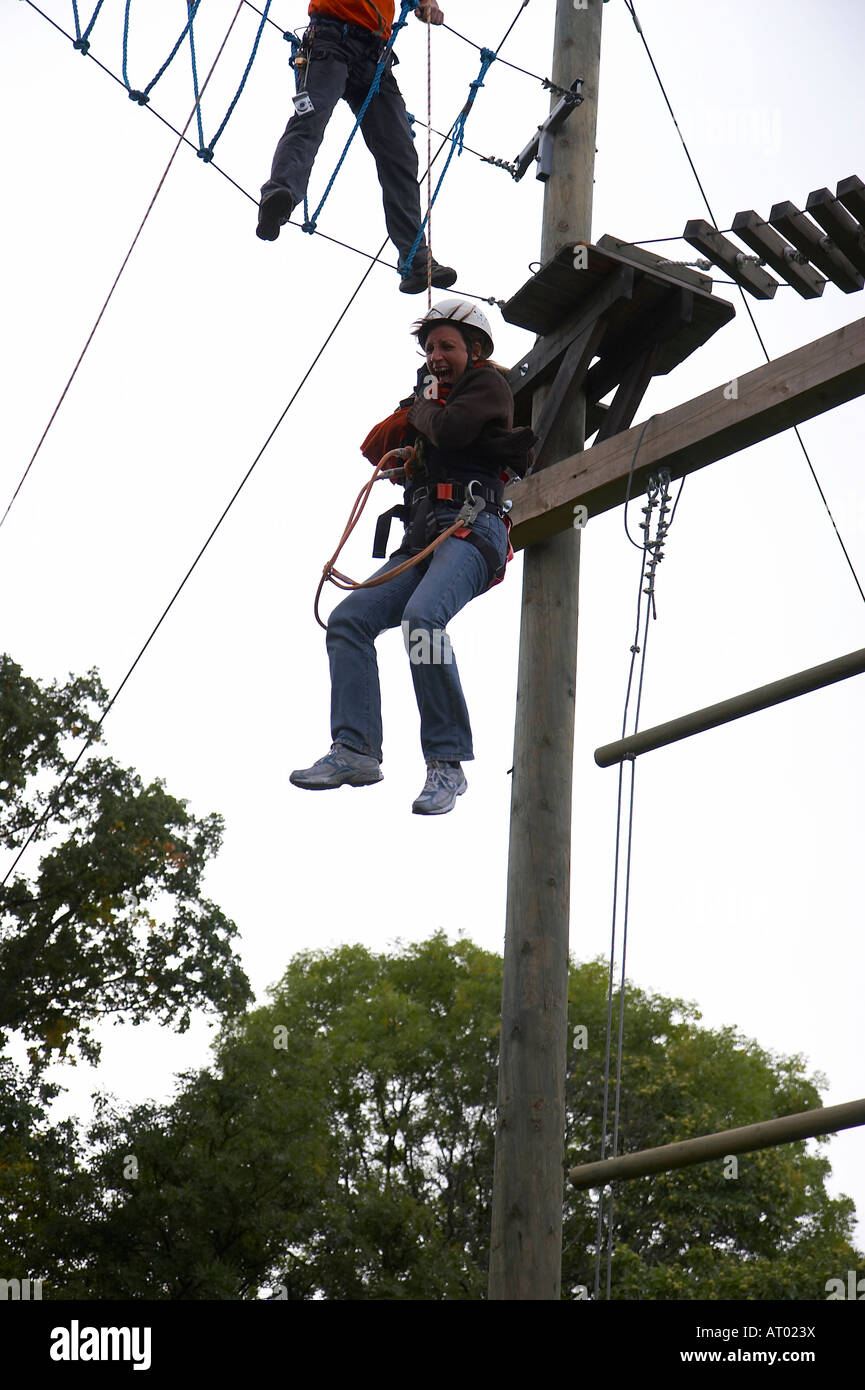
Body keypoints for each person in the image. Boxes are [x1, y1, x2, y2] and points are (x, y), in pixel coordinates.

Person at [291, 299, 535, 814]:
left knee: (423, 620)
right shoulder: (433, 399)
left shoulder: (486, 385)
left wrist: (419, 412)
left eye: (446, 346)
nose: (435, 355)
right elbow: (377, 443)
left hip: (472, 530)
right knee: (349, 620)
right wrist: (413, 427)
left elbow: (449, 430)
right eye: (429, 348)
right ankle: (355, 748)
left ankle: (446, 762)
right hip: (422, 538)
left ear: (475, 349)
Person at [257, 0, 457, 295]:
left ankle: (415, 259)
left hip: (375, 56)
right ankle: (279, 196)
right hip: (329, 39)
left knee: (399, 152)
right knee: (310, 120)